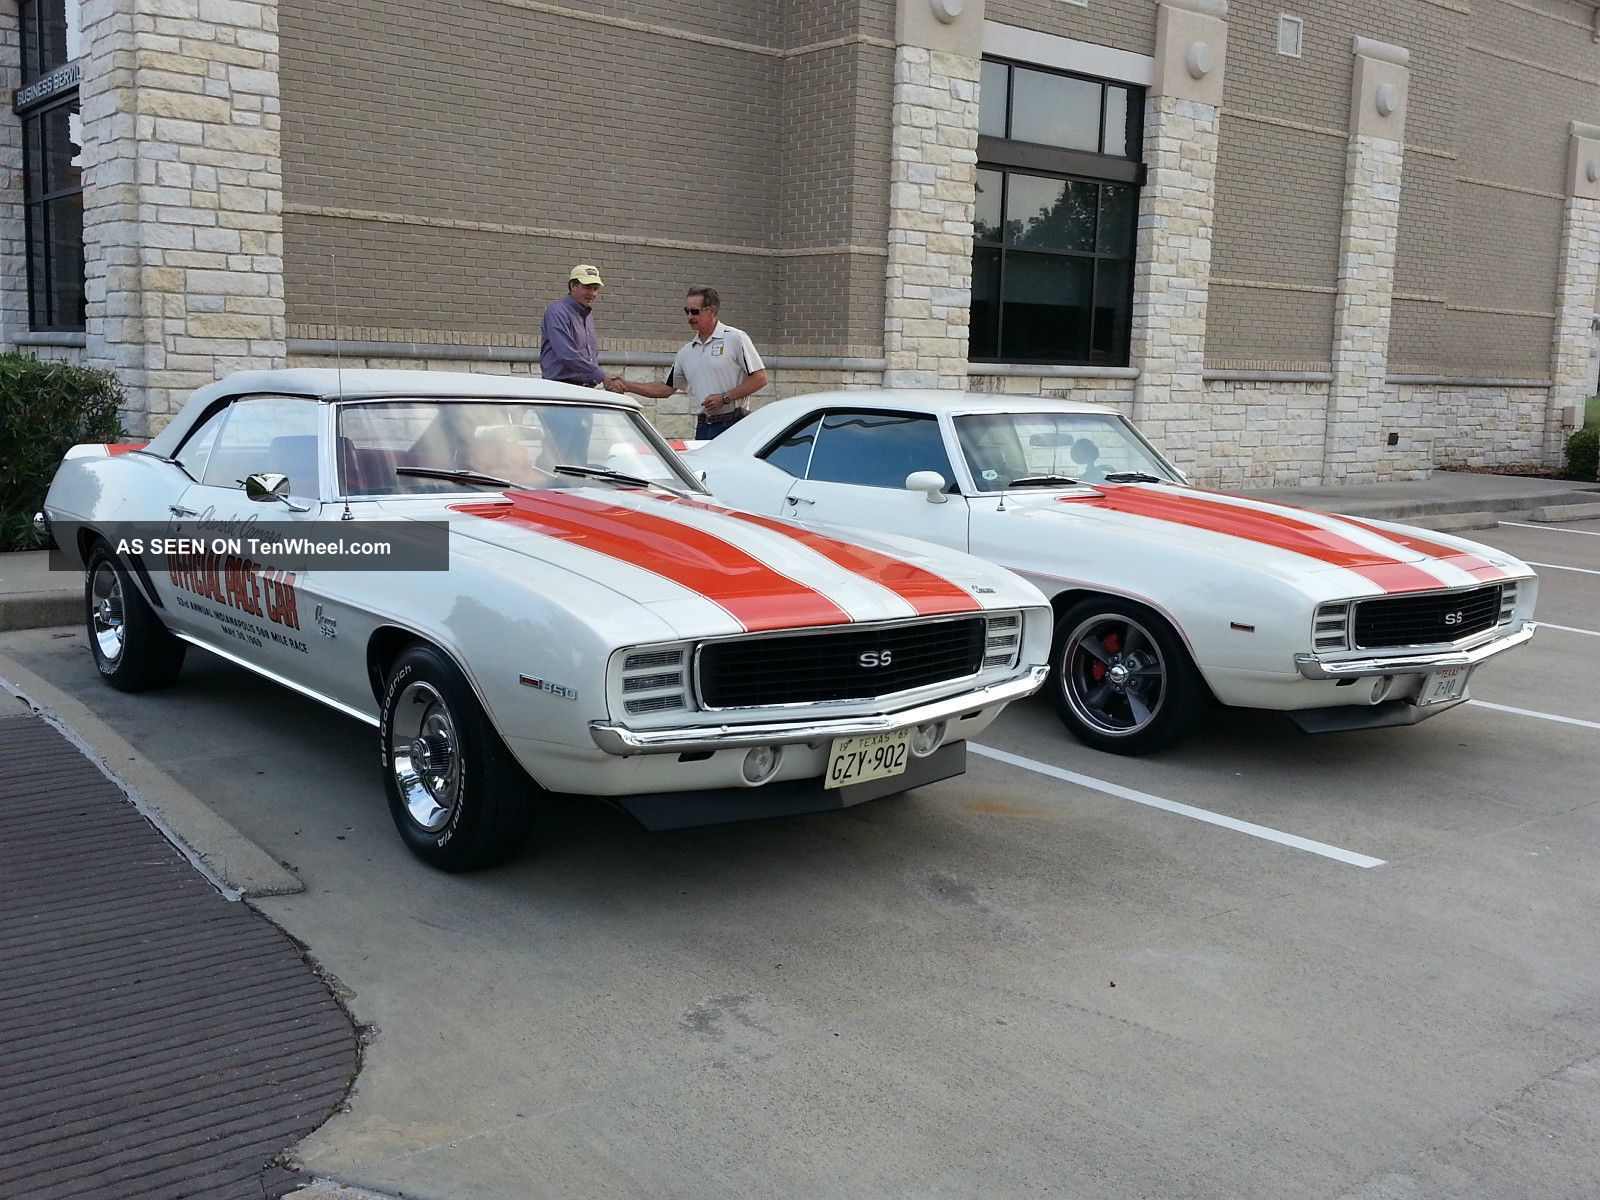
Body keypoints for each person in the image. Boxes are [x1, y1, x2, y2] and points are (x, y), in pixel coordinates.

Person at [615, 286, 768, 439]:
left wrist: (725, 397)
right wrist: (626, 385)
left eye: (695, 311)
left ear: (712, 311)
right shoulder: (686, 352)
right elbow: (665, 388)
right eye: (686, 311)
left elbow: (760, 378)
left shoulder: (735, 338)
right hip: (704, 427)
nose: (689, 317)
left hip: (735, 424)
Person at [540, 264, 622, 389]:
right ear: (572, 286)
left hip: (584, 390)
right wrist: (602, 376)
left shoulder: (587, 315)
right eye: (587, 287)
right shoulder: (557, 312)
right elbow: (567, 354)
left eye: (595, 288)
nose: (592, 293)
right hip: (560, 390)